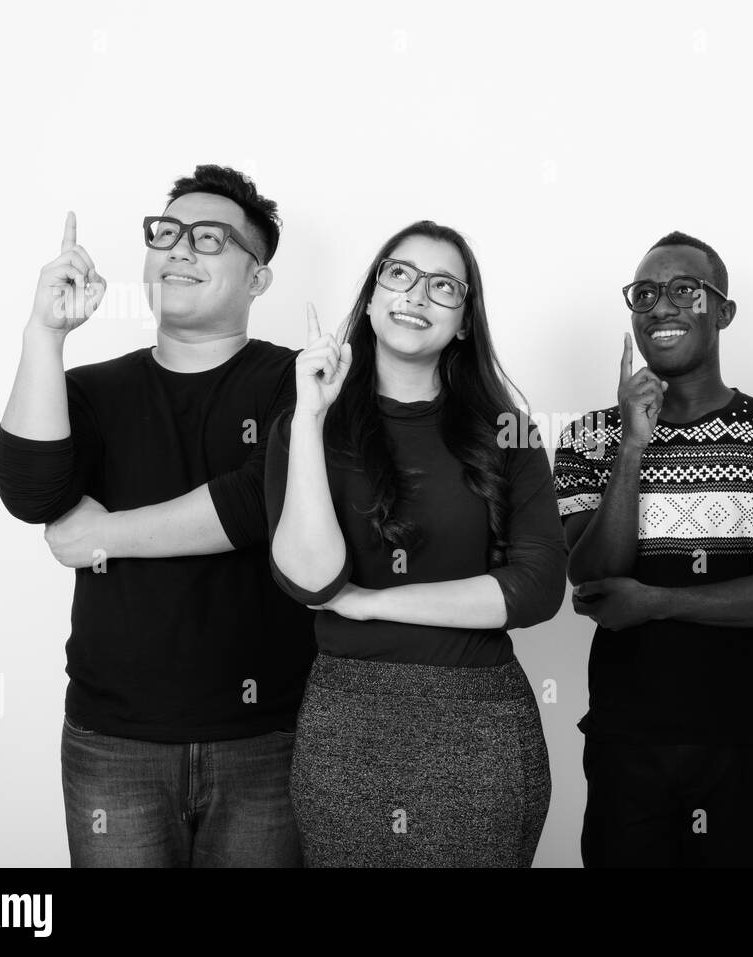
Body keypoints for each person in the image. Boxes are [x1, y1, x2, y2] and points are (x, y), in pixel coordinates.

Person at [0, 165, 314, 867]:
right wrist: (45, 335)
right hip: (114, 742)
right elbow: (30, 492)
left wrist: (106, 533)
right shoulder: (94, 388)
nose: (179, 249)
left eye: (209, 238)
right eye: (166, 233)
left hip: (267, 738)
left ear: (257, 278)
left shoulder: (297, 382)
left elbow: (261, 499)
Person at [266, 220, 565, 868]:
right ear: (372, 298)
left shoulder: (506, 431)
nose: (415, 294)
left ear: (463, 321)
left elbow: (537, 588)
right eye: (398, 274)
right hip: (347, 726)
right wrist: (311, 418)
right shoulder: (305, 424)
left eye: (442, 286)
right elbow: (313, 582)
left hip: (480, 727)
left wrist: (372, 603)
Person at [553, 231, 753, 867]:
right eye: (645, 295)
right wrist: (633, 447)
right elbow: (590, 582)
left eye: (684, 292)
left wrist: (655, 601)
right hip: (625, 742)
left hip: (741, 740)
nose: (662, 307)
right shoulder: (589, 437)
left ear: (722, 311)